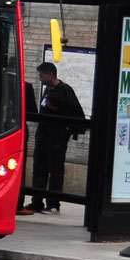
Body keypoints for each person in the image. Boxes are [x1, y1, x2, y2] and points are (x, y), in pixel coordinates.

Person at [23, 61, 85, 214]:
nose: (40, 79)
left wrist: (57, 112)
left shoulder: (65, 90)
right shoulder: (48, 91)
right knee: (39, 169)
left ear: (50, 75)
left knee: (55, 170)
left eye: (42, 76)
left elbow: (75, 114)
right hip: (43, 136)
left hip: (57, 138)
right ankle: (37, 202)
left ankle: (53, 204)